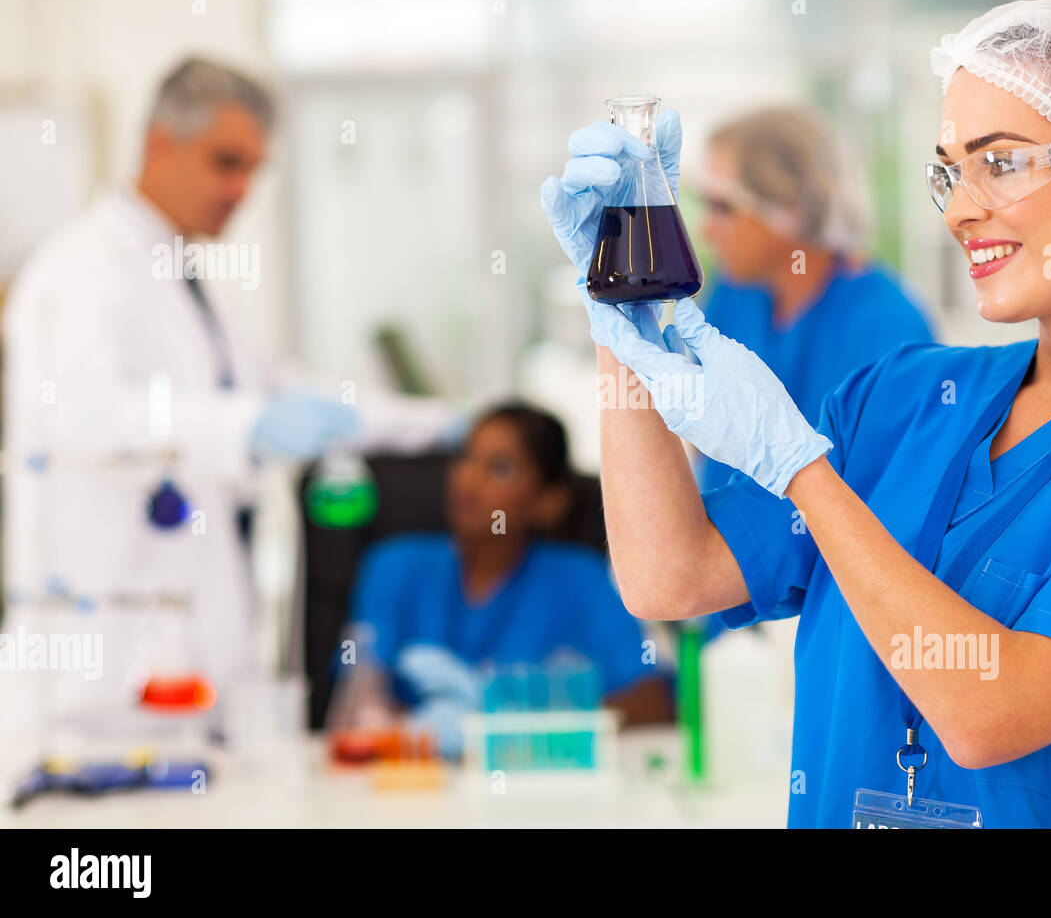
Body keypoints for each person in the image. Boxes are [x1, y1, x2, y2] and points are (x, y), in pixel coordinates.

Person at [541, 0, 1051, 828]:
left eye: (1001, 162)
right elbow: (668, 577)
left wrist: (803, 471)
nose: (959, 209)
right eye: (948, 170)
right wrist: (626, 318)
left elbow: (989, 713)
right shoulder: (899, 398)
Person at [2, 57, 461, 739]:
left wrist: (438, 424)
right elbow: (82, 416)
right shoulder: (78, 270)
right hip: (96, 682)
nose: (241, 189)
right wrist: (245, 424)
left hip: (188, 664)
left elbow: (283, 390)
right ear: (162, 143)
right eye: (226, 163)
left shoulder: (190, 282)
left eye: (253, 169)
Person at [347, 402, 674, 752]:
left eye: (500, 468)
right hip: (417, 787)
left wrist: (515, 722)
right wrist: (416, 733)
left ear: (548, 502)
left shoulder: (581, 580)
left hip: (536, 789)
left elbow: (651, 705)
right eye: (465, 457)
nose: (468, 479)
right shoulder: (394, 567)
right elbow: (358, 697)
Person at [695, 106, 933, 494]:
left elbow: (892, 498)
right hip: (723, 546)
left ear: (788, 208)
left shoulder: (888, 328)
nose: (706, 229)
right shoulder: (732, 297)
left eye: (724, 207)